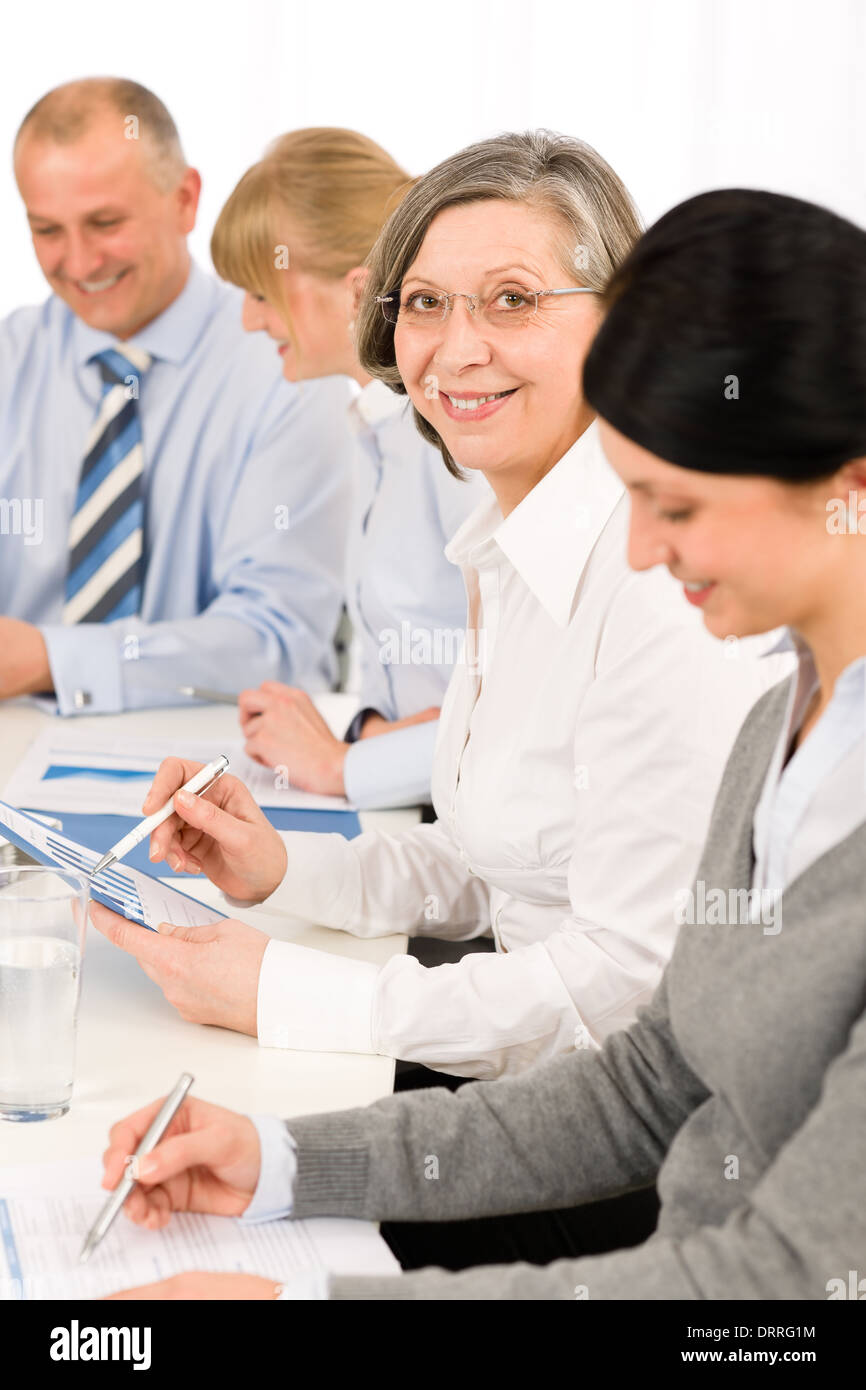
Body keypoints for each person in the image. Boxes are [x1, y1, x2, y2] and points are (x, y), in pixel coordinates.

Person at [101, 187, 866, 1300]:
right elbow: (650, 1079)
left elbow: (781, 1288)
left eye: (680, 507)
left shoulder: (694, 650)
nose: (642, 548)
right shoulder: (780, 722)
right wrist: (292, 1161)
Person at [91, 132, 788, 1080]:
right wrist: (280, 870)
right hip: (537, 1090)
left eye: (514, 299)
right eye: (424, 303)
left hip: (631, 1138)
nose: (459, 349)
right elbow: (489, 859)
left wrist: (278, 992)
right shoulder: (506, 550)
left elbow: (623, 984)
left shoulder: (661, 580)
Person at [0, 79, 352, 714]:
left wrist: (51, 659)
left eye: (105, 222)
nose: (78, 263)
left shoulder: (290, 366)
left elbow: (279, 642)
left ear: (185, 199)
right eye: (47, 229)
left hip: (203, 763)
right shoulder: (10, 360)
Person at [209, 127, 488, 807]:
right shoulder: (373, 428)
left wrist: (344, 766)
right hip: (419, 814)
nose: (249, 322)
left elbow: (520, 711)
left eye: (262, 294)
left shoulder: (461, 444)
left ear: (357, 292)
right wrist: (368, 731)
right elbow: (437, 691)